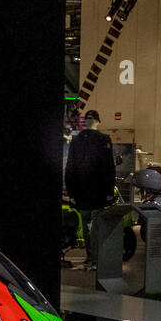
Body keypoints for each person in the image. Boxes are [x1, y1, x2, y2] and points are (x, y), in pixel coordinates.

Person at [64, 110, 115, 267]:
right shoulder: (104, 139)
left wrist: (71, 191)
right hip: (98, 192)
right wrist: (109, 191)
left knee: (86, 225)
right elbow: (109, 167)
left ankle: (91, 257)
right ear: (98, 121)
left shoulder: (76, 141)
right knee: (96, 225)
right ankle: (96, 258)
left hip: (82, 192)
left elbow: (70, 168)